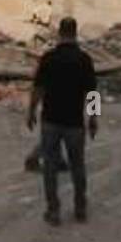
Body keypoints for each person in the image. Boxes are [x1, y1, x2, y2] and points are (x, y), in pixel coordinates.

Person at [27, 17, 97, 225]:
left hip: (51, 120)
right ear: (75, 33)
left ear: (60, 33)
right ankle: (80, 208)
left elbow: (38, 88)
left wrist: (31, 111)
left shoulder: (49, 58)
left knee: (50, 166)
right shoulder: (85, 60)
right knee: (78, 166)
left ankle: (54, 211)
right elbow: (92, 93)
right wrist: (93, 118)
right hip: (74, 122)